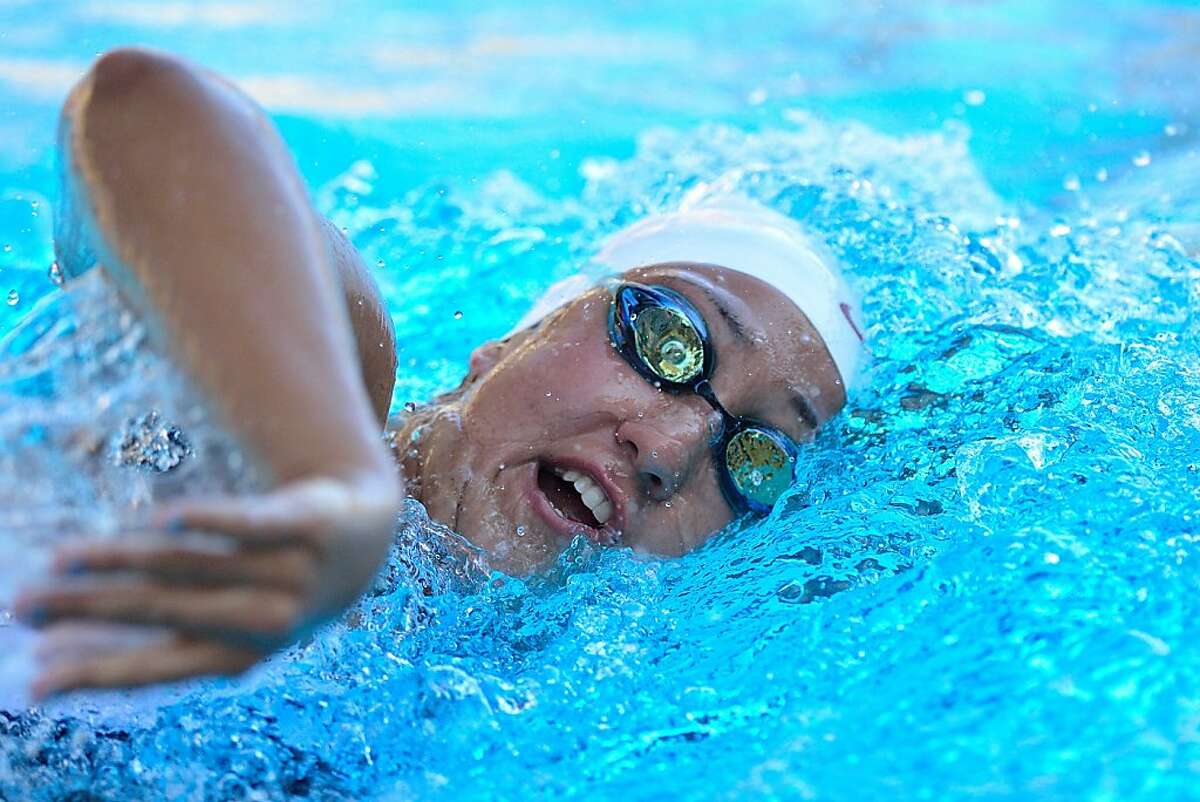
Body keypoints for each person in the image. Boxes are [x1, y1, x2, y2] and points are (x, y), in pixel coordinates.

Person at [13, 48, 864, 697]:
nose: (670, 449)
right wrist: (329, 478)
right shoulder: (300, 401)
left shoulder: (510, 697)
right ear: (516, 338)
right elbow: (139, 106)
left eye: (756, 455)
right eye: (671, 341)